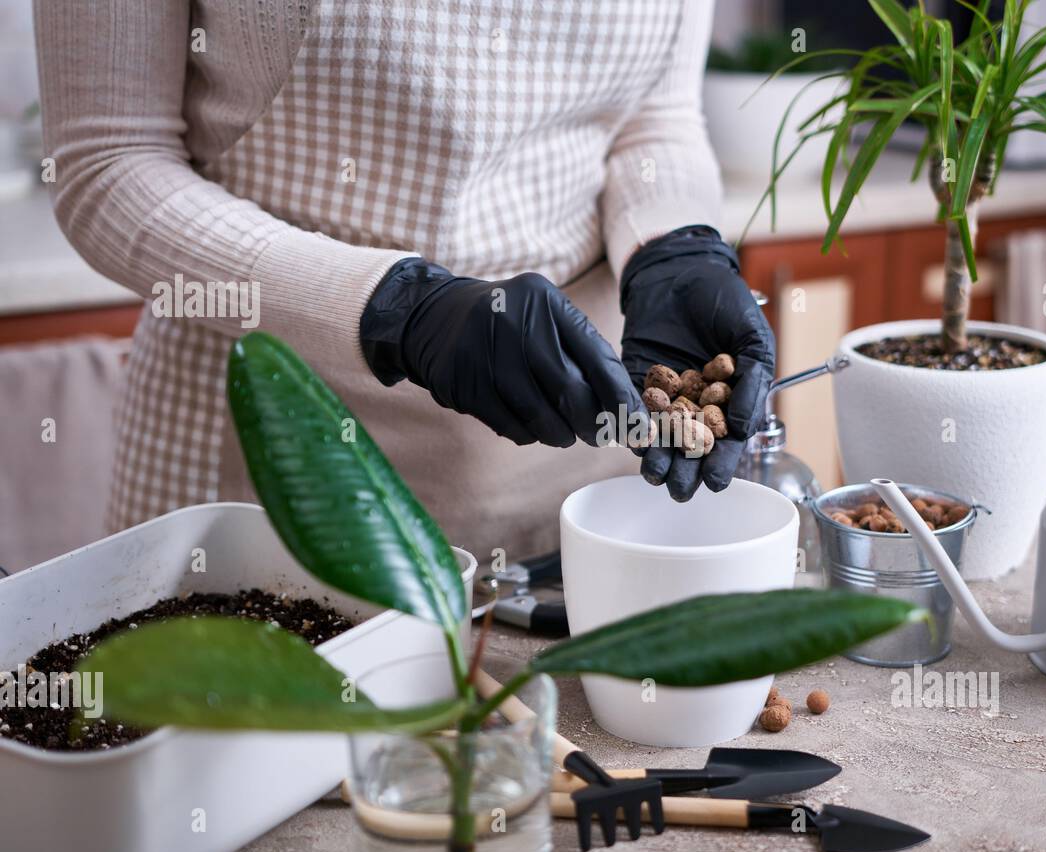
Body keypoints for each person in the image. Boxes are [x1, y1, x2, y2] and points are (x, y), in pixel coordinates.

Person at [34, 0, 775, 560]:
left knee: (557, 753)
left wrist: (674, 243)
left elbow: (655, 116)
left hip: (583, 452)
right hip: (268, 439)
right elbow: (107, 163)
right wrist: (398, 309)